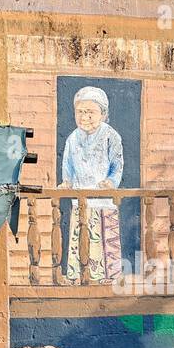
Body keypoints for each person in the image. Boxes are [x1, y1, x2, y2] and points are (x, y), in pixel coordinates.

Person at [60, 85, 124, 281]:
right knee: (81, 239)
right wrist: (67, 182)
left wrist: (111, 181)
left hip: (103, 200)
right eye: (80, 112)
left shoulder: (110, 136)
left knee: (104, 240)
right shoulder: (72, 138)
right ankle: (78, 275)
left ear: (103, 114)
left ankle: (109, 277)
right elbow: (68, 164)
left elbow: (117, 163)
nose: (84, 117)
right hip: (81, 200)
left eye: (90, 112)